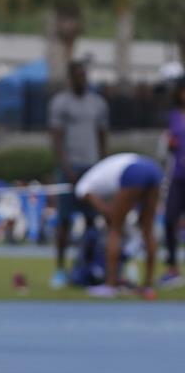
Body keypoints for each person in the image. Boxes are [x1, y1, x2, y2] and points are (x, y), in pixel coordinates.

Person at [49, 59, 109, 288]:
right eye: (78, 75)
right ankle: (60, 269)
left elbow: (102, 135)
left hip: (92, 168)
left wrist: (102, 166)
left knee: (92, 220)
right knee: (64, 220)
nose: (83, 79)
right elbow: (56, 137)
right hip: (71, 168)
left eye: (85, 75)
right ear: (71, 77)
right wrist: (66, 167)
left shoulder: (98, 103)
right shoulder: (60, 102)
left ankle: (90, 266)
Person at [74, 153, 162, 299]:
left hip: (134, 172)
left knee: (115, 229)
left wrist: (113, 217)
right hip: (153, 169)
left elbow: (106, 211)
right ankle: (148, 286)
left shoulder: (82, 188)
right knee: (148, 229)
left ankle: (110, 285)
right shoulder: (102, 173)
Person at [162, 83, 185, 288]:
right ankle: (172, 268)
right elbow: (170, 145)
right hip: (178, 176)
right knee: (170, 219)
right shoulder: (174, 116)